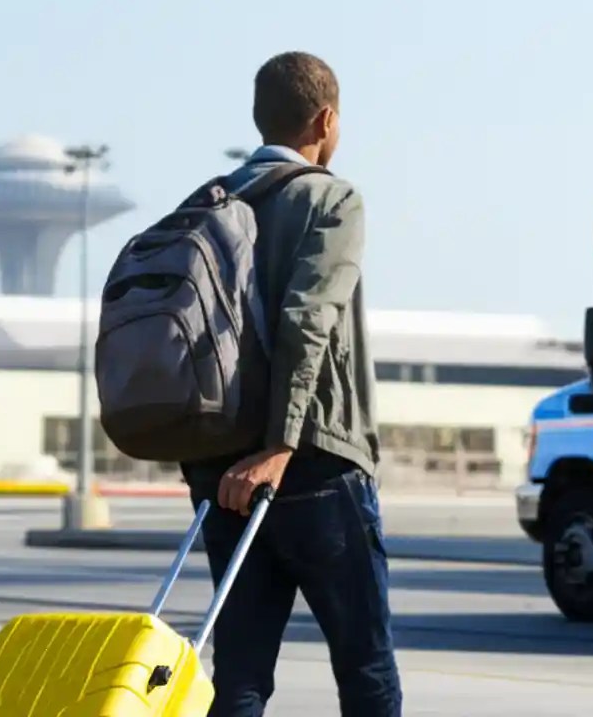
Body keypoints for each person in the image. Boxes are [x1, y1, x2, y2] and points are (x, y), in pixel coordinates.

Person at [180, 51, 403, 717]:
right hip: (315, 467)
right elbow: (307, 321)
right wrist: (280, 446)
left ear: (260, 119)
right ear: (326, 120)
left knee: (241, 672)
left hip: (221, 470)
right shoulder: (332, 197)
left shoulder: (208, 202)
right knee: (365, 668)